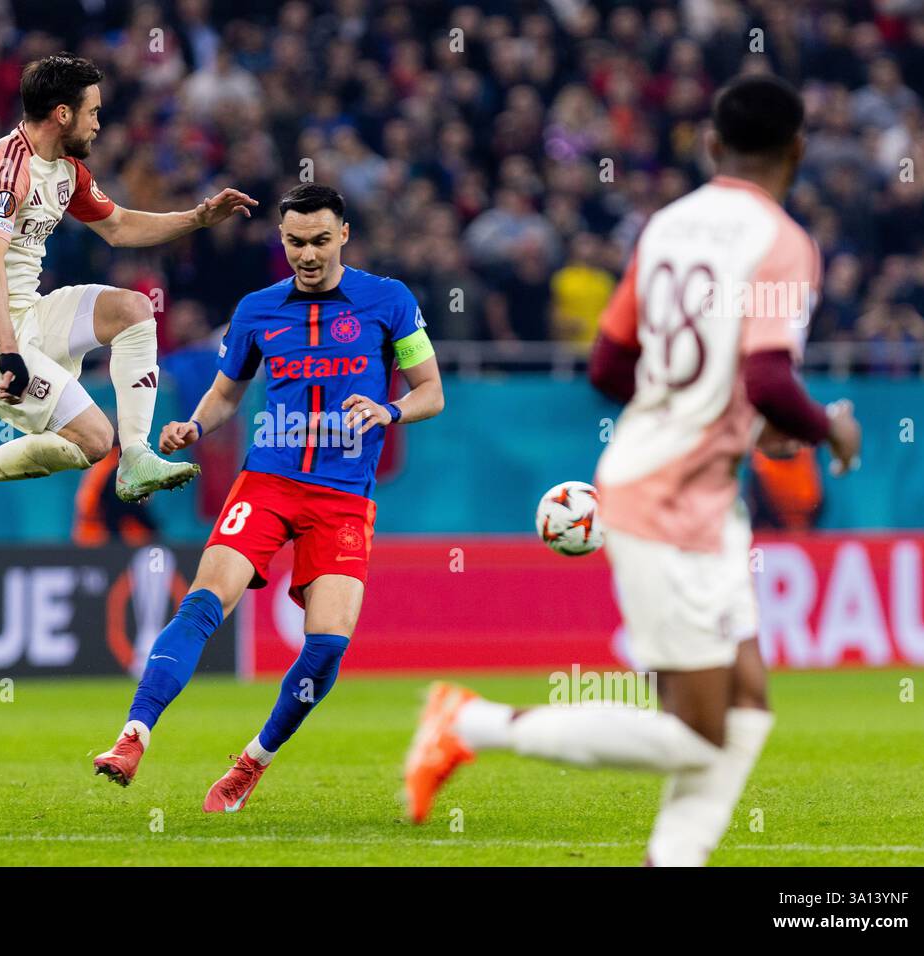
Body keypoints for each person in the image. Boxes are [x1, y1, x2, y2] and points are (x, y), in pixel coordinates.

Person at [403, 74, 862, 866]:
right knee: (697, 731)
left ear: (711, 146)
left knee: (747, 708)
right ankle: (469, 722)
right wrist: (830, 431)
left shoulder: (666, 227)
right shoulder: (786, 241)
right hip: (666, 499)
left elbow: (611, 366)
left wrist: (709, 415)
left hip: (695, 492)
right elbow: (769, 381)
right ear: (798, 150)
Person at [92, 183, 445, 812]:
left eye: (318, 241)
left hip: (342, 498)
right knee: (204, 602)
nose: (306, 255)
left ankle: (252, 762)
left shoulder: (389, 302)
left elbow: (430, 392)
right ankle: (131, 736)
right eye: (294, 242)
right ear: (281, 242)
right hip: (268, 482)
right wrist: (195, 427)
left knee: (328, 645)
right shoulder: (257, 309)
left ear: (344, 235)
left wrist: (389, 409)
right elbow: (228, 392)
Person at [0, 53, 256, 554]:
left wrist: (198, 218)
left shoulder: (65, 171)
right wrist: (11, 352)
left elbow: (119, 227)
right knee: (95, 440)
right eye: (93, 112)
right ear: (62, 114)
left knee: (135, 310)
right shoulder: (3, 169)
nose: (99, 124)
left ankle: (137, 456)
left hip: (27, 315)